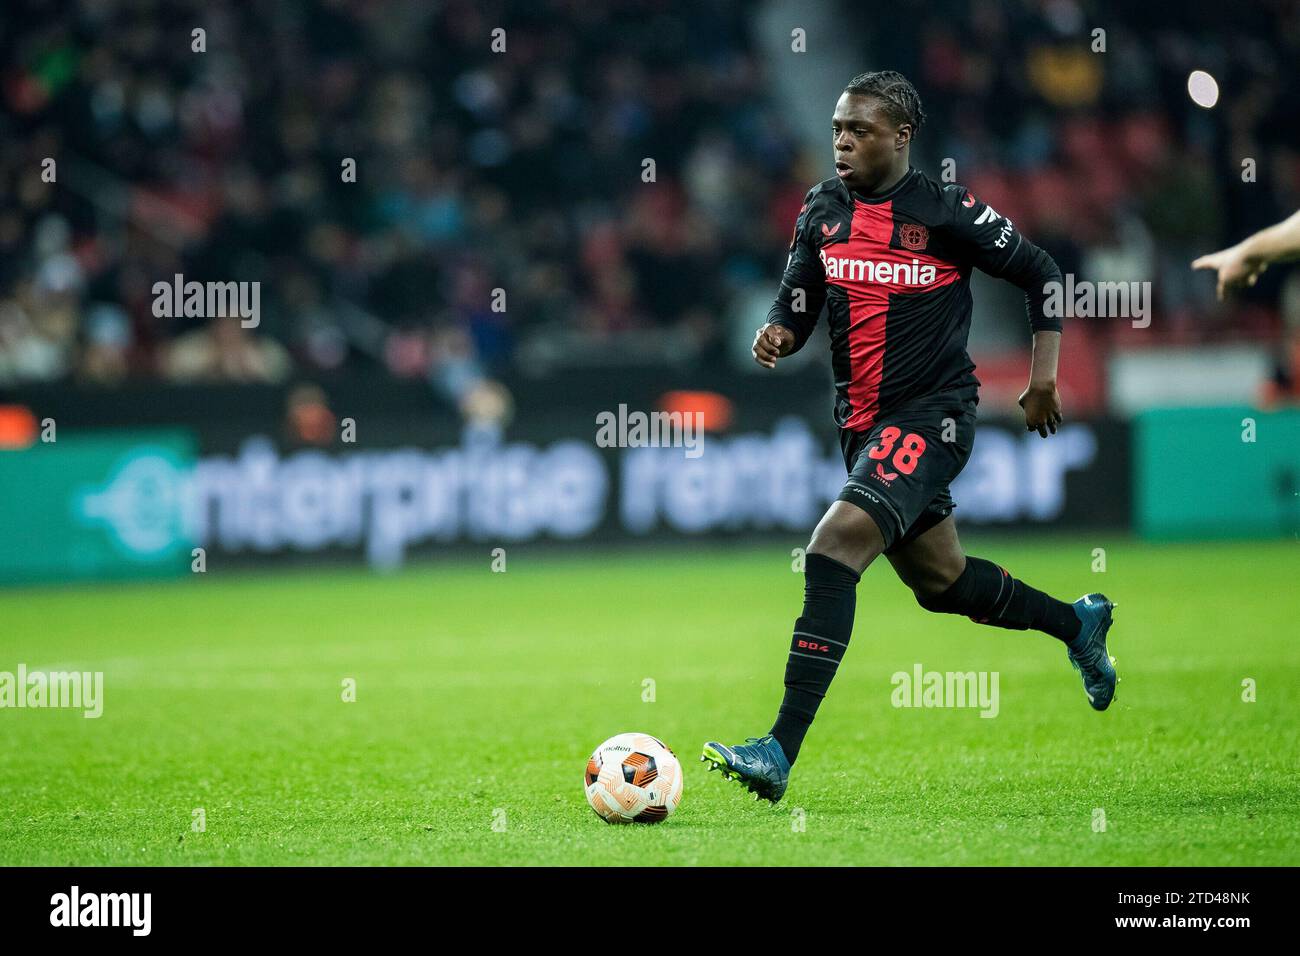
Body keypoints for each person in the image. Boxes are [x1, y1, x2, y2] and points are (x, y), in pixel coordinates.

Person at [702, 71, 1117, 804]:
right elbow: (801, 296)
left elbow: (1041, 272)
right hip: (860, 425)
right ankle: (1076, 624)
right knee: (942, 584)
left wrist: (1042, 375)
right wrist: (778, 332)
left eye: (858, 130)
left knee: (833, 548)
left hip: (935, 415)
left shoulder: (944, 209)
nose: (840, 142)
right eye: (836, 128)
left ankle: (778, 750)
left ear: (901, 137)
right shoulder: (822, 208)